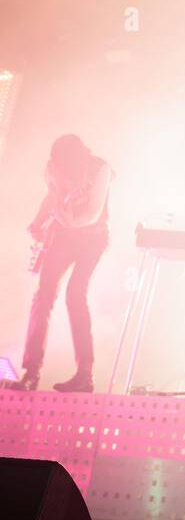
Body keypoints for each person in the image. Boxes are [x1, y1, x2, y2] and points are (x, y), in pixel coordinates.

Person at [10, 134, 112, 393]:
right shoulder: (54, 168)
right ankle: (31, 374)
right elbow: (52, 195)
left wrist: (66, 220)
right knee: (43, 296)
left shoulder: (100, 169)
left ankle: (84, 375)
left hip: (93, 237)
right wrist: (38, 222)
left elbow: (92, 213)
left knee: (75, 294)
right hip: (64, 237)